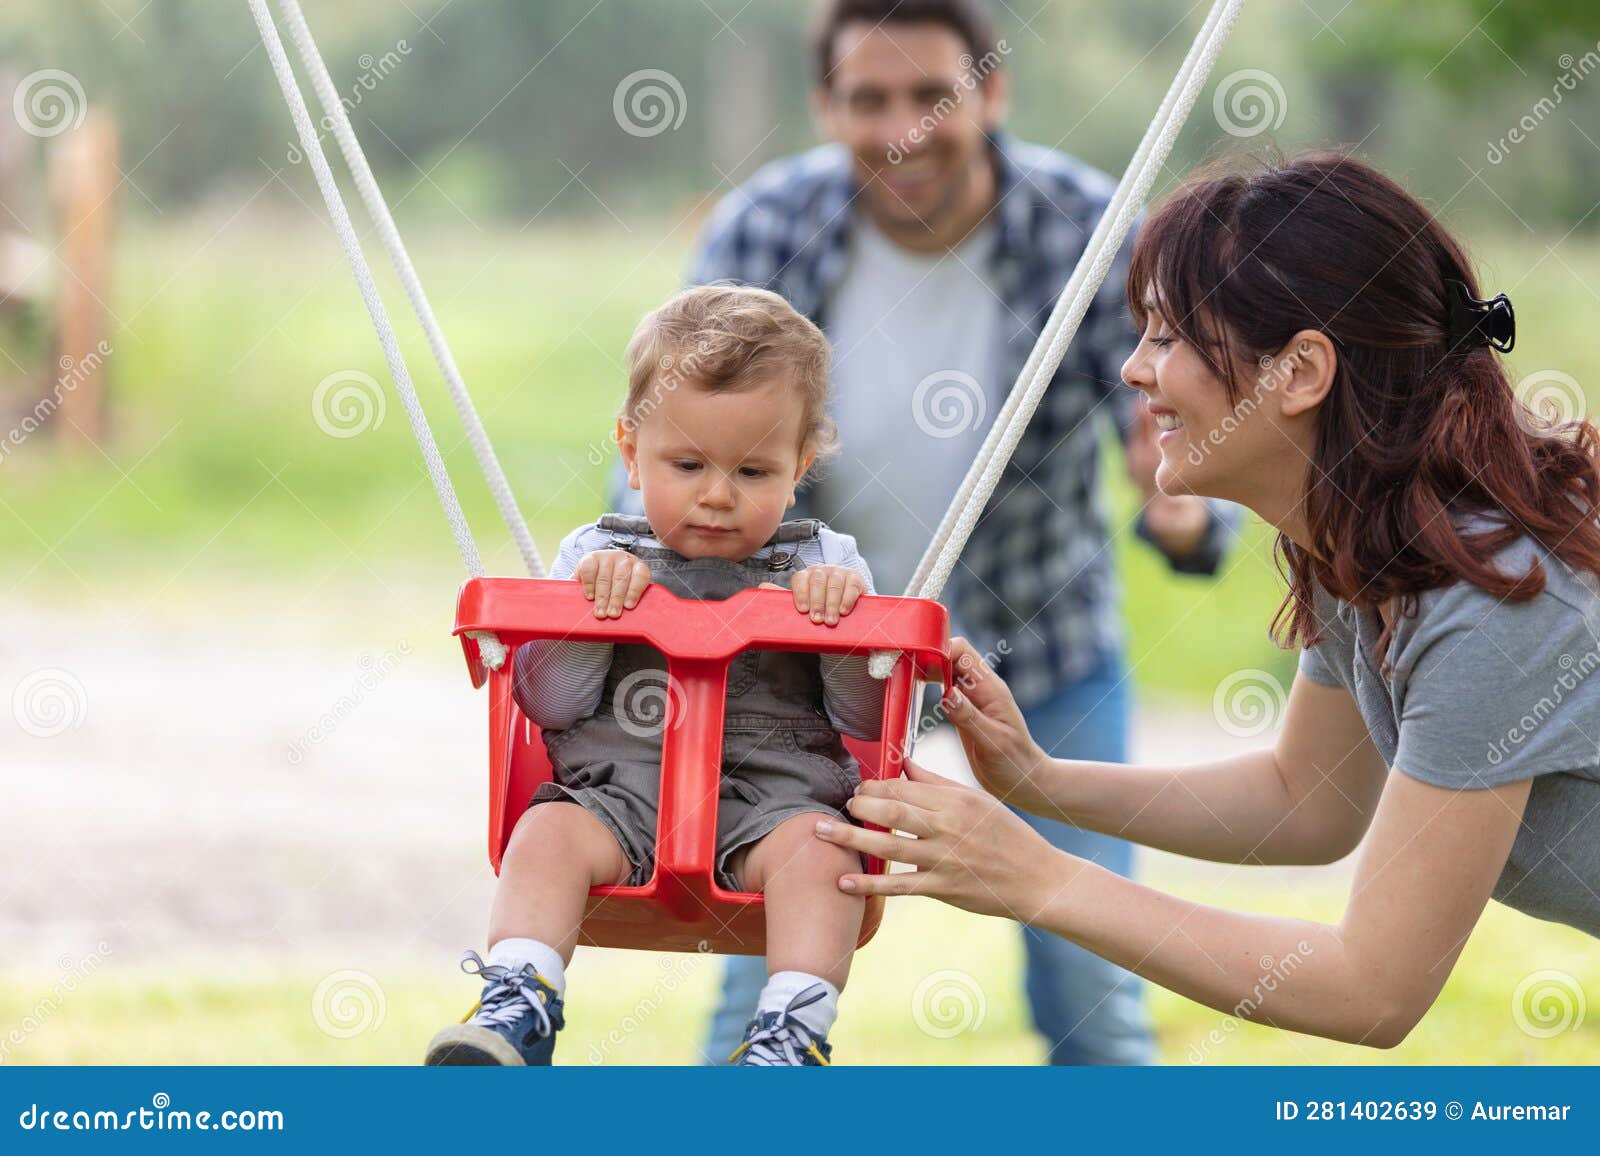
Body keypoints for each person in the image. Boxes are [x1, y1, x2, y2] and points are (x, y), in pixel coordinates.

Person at [813, 150, 1600, 1050]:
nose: (1134, 373)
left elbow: (1373, 991)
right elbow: (1308, 798)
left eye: (1168, 335)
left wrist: (1038, 878)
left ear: (1300, 371)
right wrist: (1043, 784)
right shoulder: (1380, 537)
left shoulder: (1489, 596)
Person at [612, 0, 1237, 1066]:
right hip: (798, 658)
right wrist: (626, 576)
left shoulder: (1083, 229)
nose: (900, 130)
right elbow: (677, 443)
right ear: (825, 107)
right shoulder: (764, 232)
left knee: (1091, 974)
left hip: (1034, 647)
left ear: (989, 93)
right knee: (758, 952)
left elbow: (1185, 441)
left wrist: (1177, 505)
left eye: (930, 97)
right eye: (868, 100)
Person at [426, 285, 890, 1067]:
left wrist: (843, 629)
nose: (717, 494)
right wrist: (585, 617)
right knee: (543, 834)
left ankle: (791, 1035)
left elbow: (870, 718)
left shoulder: (826, 566)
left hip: (774, 804)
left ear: (800, 465)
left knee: (824, 854)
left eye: (752, 470)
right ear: (631, 452)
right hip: (616, 799)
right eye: (687, 464)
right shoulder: (594, 555)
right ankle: (520, 1005)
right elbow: (549, 701)